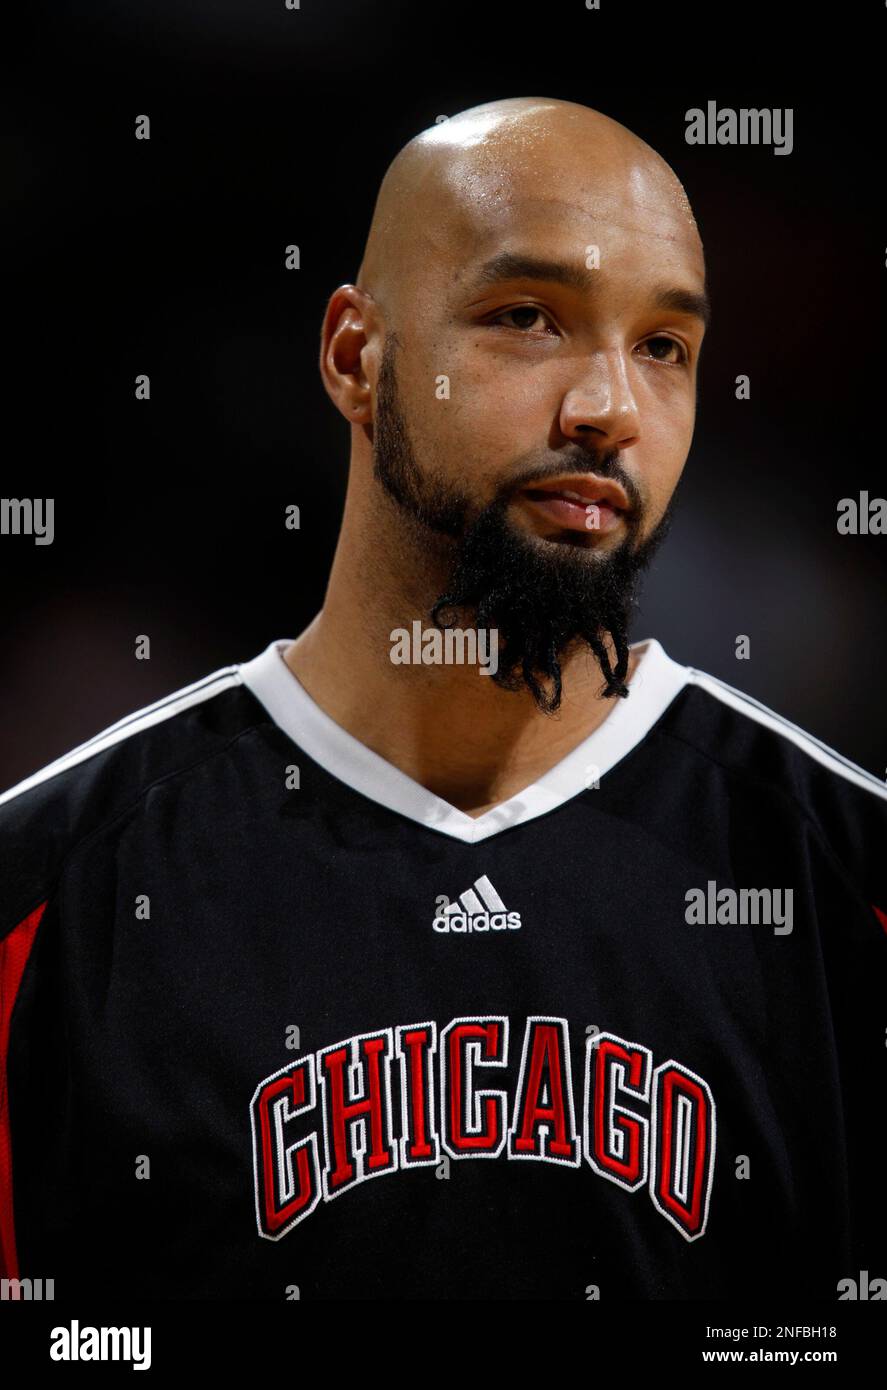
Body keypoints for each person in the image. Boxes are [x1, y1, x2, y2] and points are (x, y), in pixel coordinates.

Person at [1, 97, 885, 1301]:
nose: (608, 410)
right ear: (354, 359)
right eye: (526, 319)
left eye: (663, 346)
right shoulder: (49, 899)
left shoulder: (844, 887)